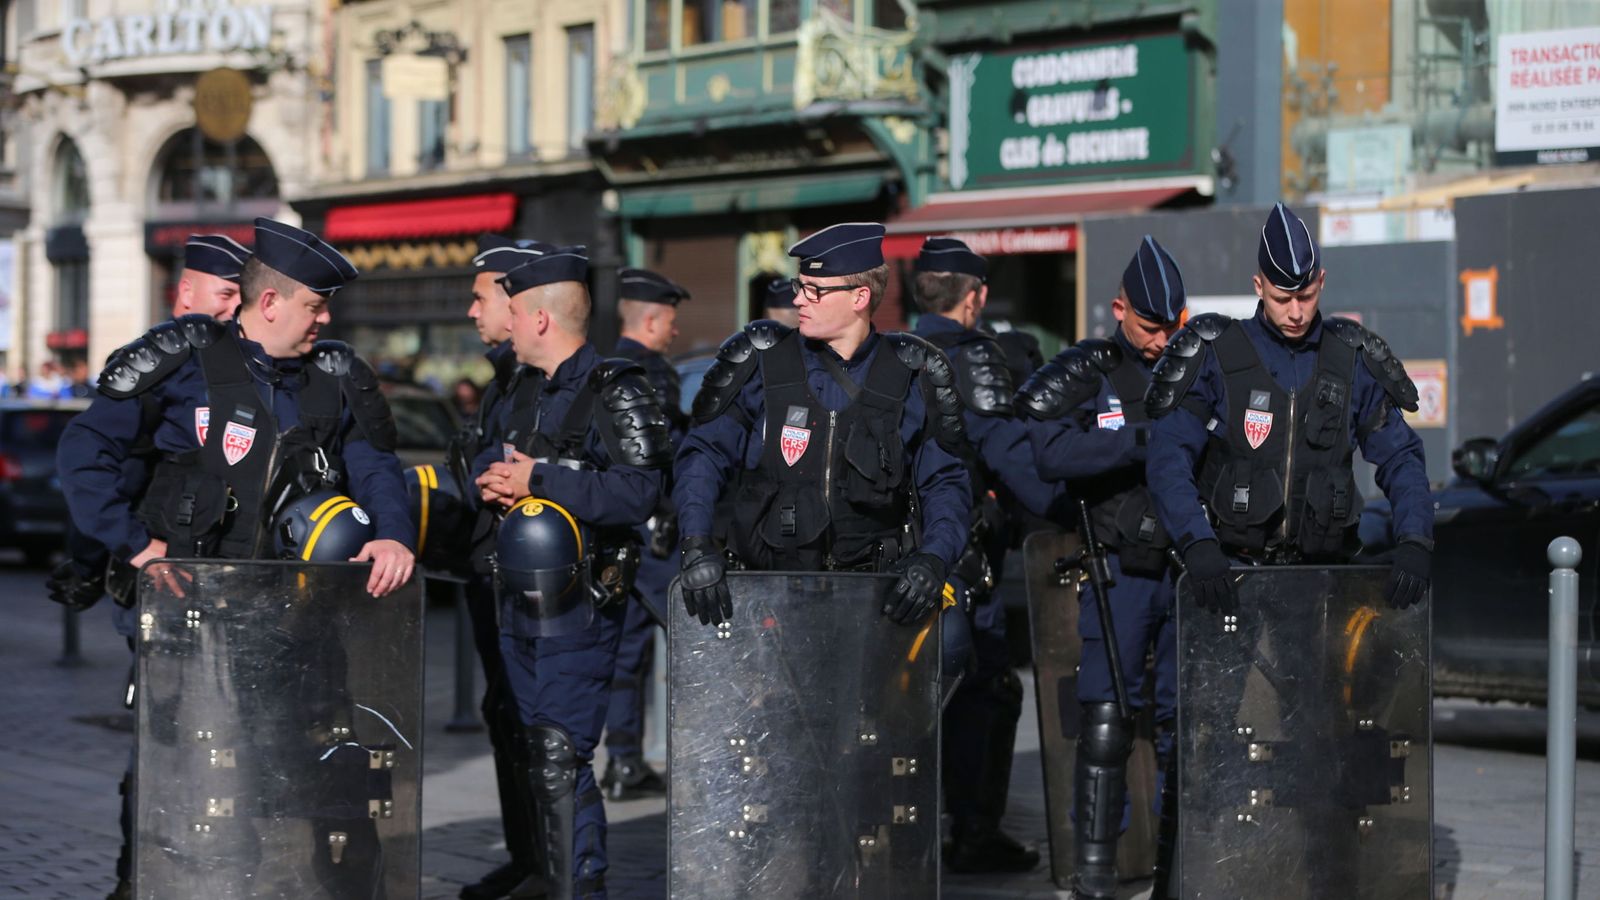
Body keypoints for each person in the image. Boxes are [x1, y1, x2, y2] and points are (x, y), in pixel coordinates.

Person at [55, 218, 415, 899]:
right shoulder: (188, 361)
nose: (326, 319)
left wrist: (391, 533)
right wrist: (135, 546)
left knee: (293, 773)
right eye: (316, 304)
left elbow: (376, 467)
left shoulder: (331, 380)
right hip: (189, 617)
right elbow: (86, 453)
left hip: (295, 623)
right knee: (178, 770)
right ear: (271, 302)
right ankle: (150, 885)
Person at [472, 247, 671, 900]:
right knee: (533, 747)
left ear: (537, 320)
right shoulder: (525, 391)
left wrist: (539, 479)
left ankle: (579, 885)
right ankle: (549, 873)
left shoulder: (616, 388)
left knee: (561, 753)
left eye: (513, 308)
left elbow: (639, 492)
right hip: (519, 595)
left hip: (582, 603)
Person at [673, 221, 970, 625]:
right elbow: (703, 455)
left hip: (873, 609)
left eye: (815, 290)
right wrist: (695, 542)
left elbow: (946, 483)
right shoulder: (762, 362)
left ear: (860, 297)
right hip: (767, 604)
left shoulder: (910, 375)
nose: (799, 300)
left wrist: (934, 558)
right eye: (799, 286)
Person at [1144, 202, 1432, 612]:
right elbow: (1169, 456)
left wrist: (1415, 539)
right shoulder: (1217, 355)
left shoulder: (1351, 361)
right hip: (1230, 576)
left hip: (1319, 580)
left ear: (1322, 282)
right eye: (1283, 298)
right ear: (1259, 287)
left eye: (1306, 296)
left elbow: (1400, 456)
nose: (1296, 312)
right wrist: (1197, 543)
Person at [1017, 236, 1189, 898]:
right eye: (1149, 325)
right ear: (1119, 307)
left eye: (1169, 325)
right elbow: (1052, 451)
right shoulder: (1090, 369)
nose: (1159, 339)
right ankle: (1093, 873)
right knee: (1107, 721)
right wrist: (1137, 442)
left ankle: (1177, 868)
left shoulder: (1194, 365)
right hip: (1119, 567)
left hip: (1183, 566)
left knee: (1183, 725)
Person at [909, 236, 1059, 873]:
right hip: (965, 558)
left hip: (901, 556)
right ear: (975, 298)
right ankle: (972, 831)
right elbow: (1007, 453)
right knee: (988, 688)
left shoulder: (893, 351)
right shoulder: (973, 358)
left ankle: (908, 828)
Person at [452, 234, 551, 900]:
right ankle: (526, 856)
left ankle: (546, 864)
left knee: (529, 718)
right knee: (502, 713)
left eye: (480, 295)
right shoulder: (505, 375)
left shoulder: (535, 378)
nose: (471, 310)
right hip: (488, 567)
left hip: (523, 575)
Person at [599, 267, 690, 800]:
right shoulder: (652, 372)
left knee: (625, 656)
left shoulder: (603, 369)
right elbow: (665, 456)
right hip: (656, 536)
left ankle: (624, 760)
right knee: (695, 646)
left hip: (618, 535)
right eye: (671, 321)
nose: (675, 332)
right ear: (651, 320)